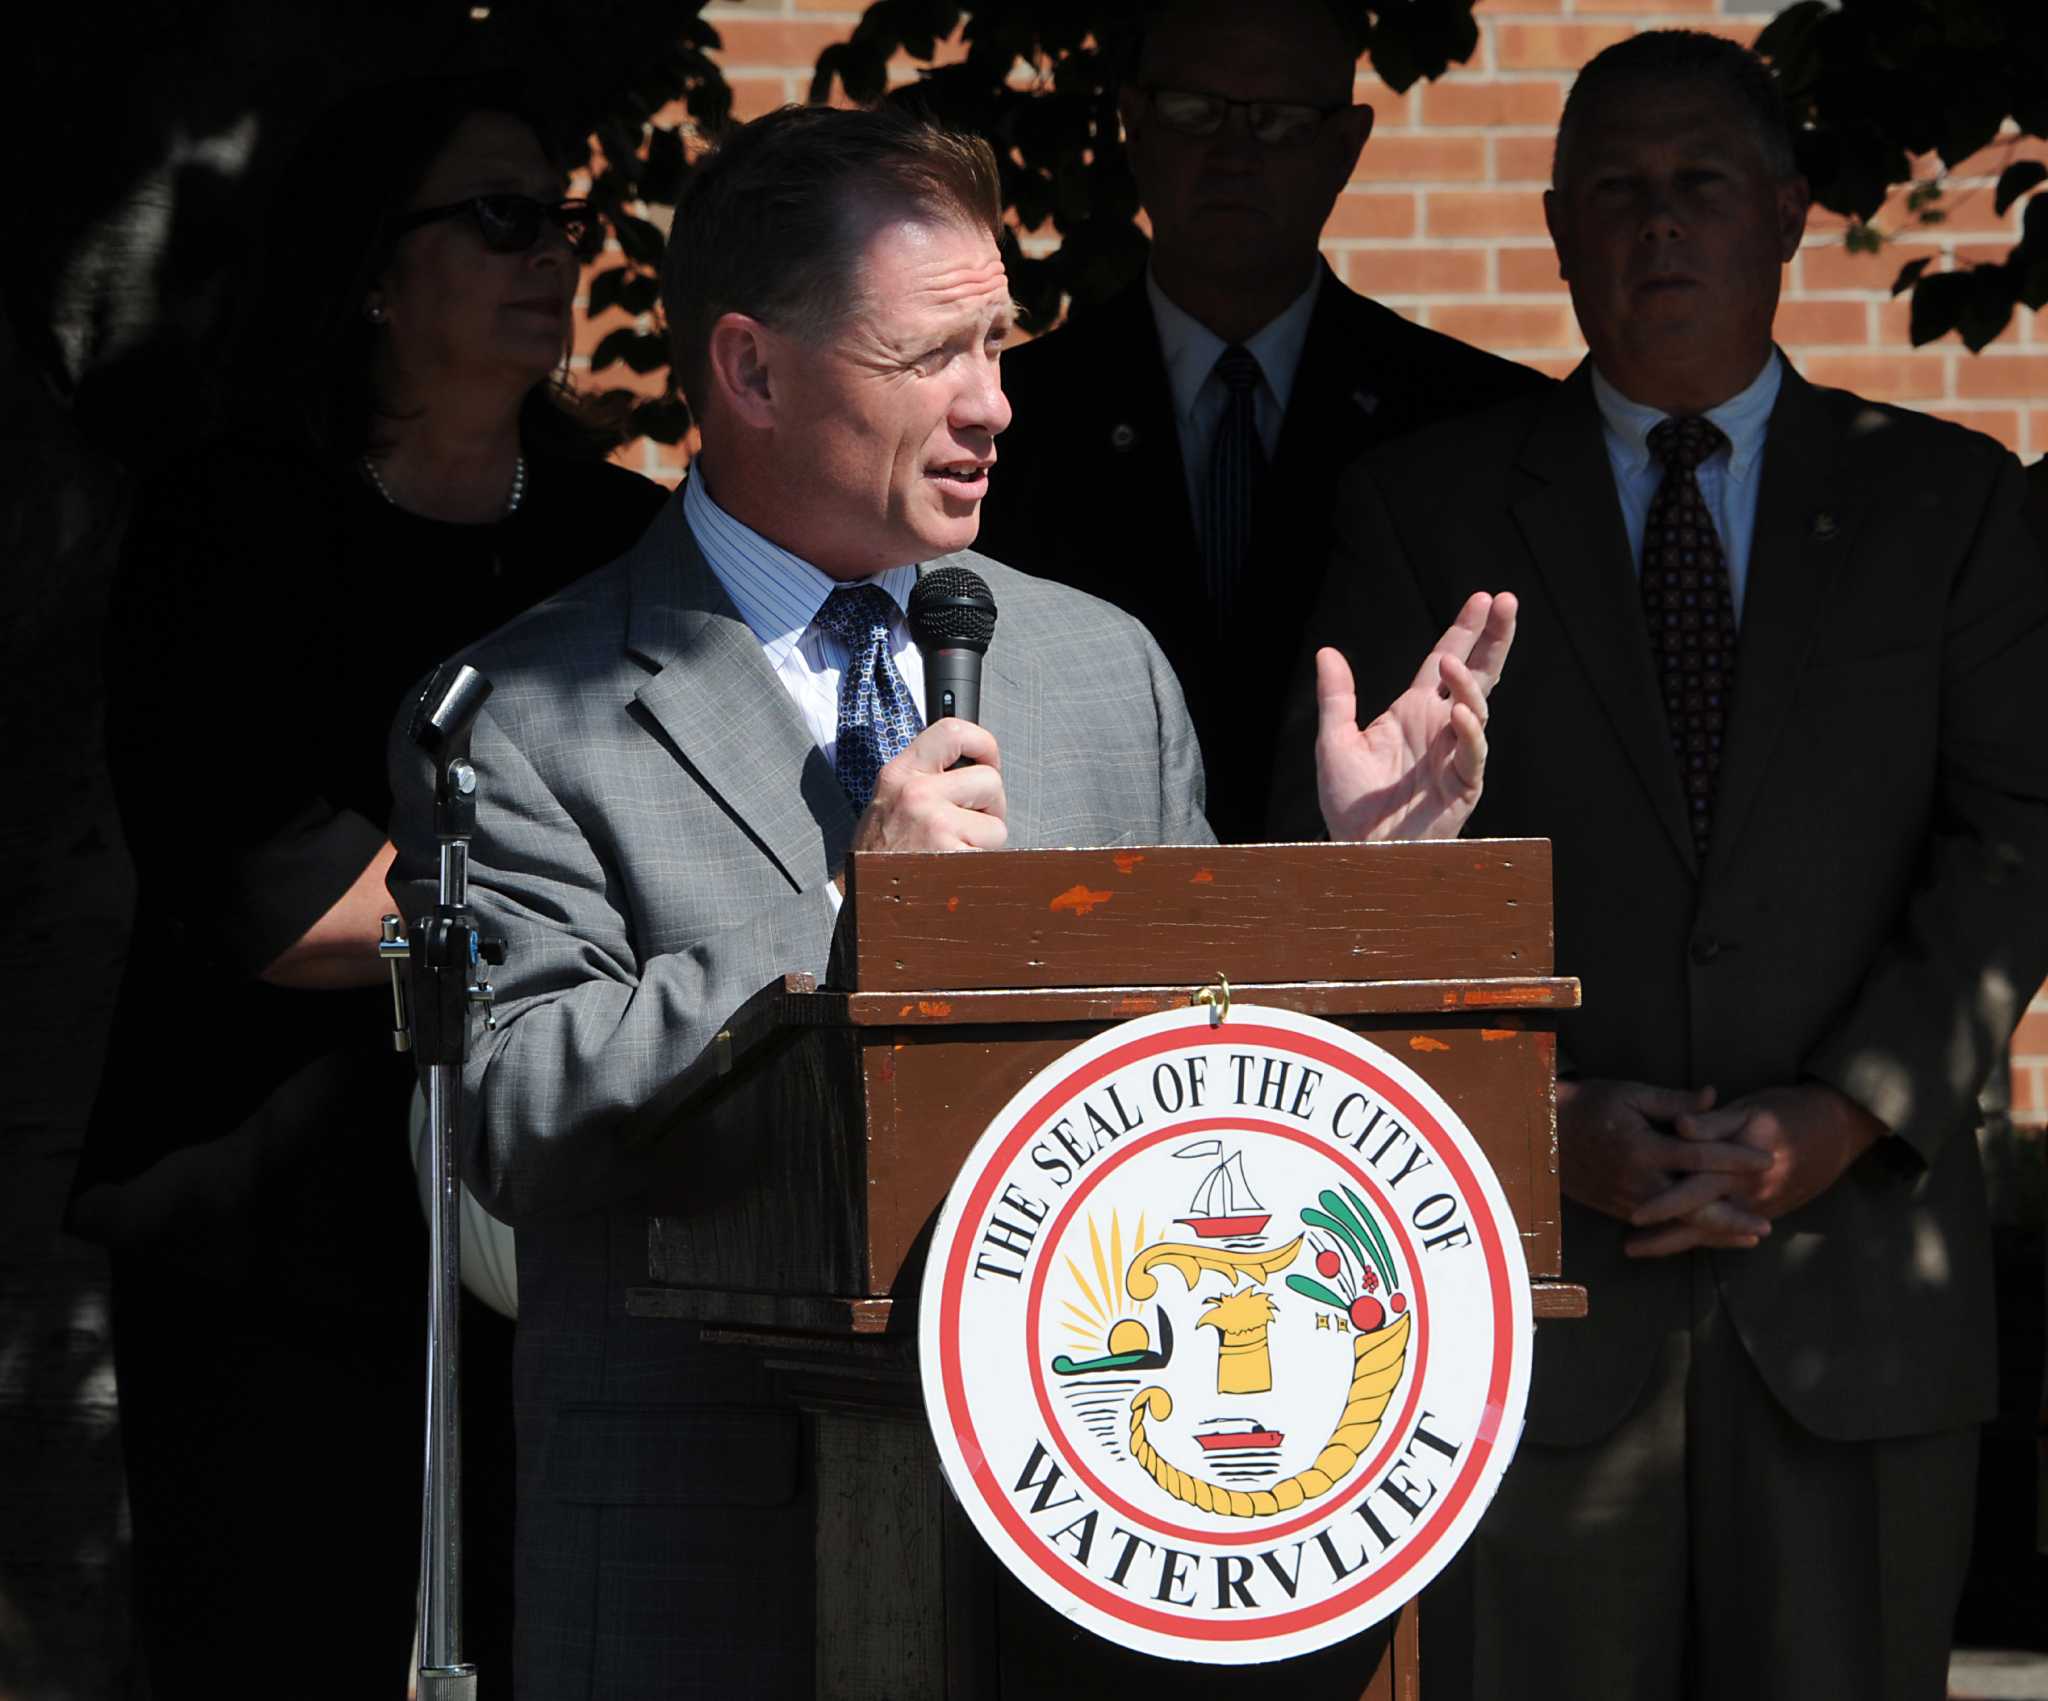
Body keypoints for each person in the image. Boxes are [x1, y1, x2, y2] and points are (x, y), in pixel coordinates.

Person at [386, 101, 1516, 1699]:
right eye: (935, 357)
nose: (996, 403)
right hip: (706, 1565)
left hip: (1083, 1558)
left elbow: (1202, 1099)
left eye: (1001, 344)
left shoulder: (1096, 667)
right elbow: (501, 1113)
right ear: (752, 370)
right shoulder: (516, 708)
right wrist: (854, 919)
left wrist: (1361, 902)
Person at [1271, 30, 2048, 1701]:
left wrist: (1845, 1111)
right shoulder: (1422, 510)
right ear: (1553, 229)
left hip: (1851, 1307)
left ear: (1782, 215)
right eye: (1613, 192)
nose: (1657, 226)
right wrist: (1527, 1126)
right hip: (1532, 1303)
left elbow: (2014, 843)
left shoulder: (1948, 505)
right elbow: (1337, 880)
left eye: (1698, 184)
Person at [68, 76, 667, 1695]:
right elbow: (293, 906)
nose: (547, 252)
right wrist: (586, 907)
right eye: (496, 218)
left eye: (559, 219)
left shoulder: (623, 547)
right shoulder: (231, 521)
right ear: (374, 272)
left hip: (556, 1218)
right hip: (273, 1235)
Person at [976, 0, 1547, 841]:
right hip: (1084, 922)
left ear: (1347, 146)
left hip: (1375, 926)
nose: (1234, 153)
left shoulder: (1475, 418)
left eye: (1278, 121)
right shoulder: (1002, 418)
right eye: (1195, 111)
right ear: (1132, 122)